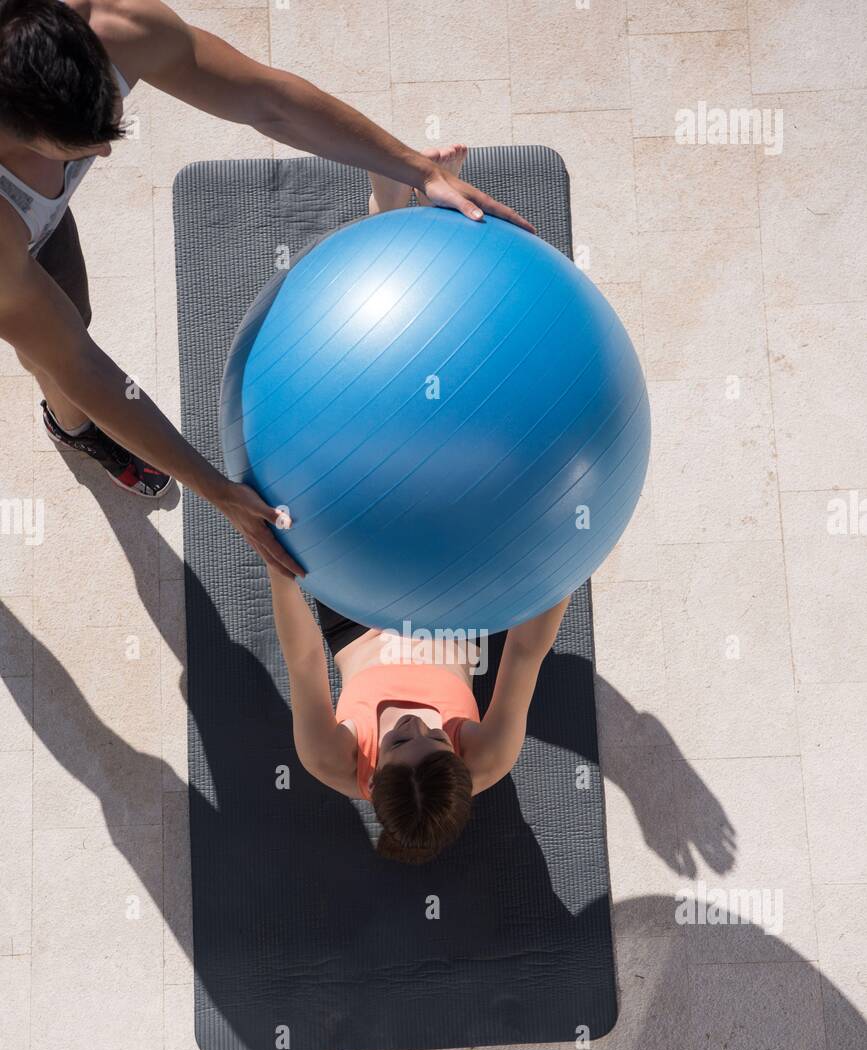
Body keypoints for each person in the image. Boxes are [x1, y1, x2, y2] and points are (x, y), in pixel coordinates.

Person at [0, 0, 535, 575]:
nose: (105, 152)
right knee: (51, 342)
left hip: (26, 224)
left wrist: (419, 170)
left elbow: (268, 102)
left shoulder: (117, 24)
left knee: (64, 322)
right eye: (81, 143)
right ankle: (76, 422)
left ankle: (69, 423)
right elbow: (82, 363)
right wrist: (216, 489)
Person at [268, 146, 570, 865]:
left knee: (370, 418)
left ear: (373, 774)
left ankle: (385, 202)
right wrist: (564, 549)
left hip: (358, 603)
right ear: (458, 764)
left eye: (398, 741)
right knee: (442, 437)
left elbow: (305, 661)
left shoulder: (331, 762)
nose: (414, 724)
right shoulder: (486, 757)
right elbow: (526, 649)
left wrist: (275, 561)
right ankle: (416, 243)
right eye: (433, 737)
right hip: (459, 598)